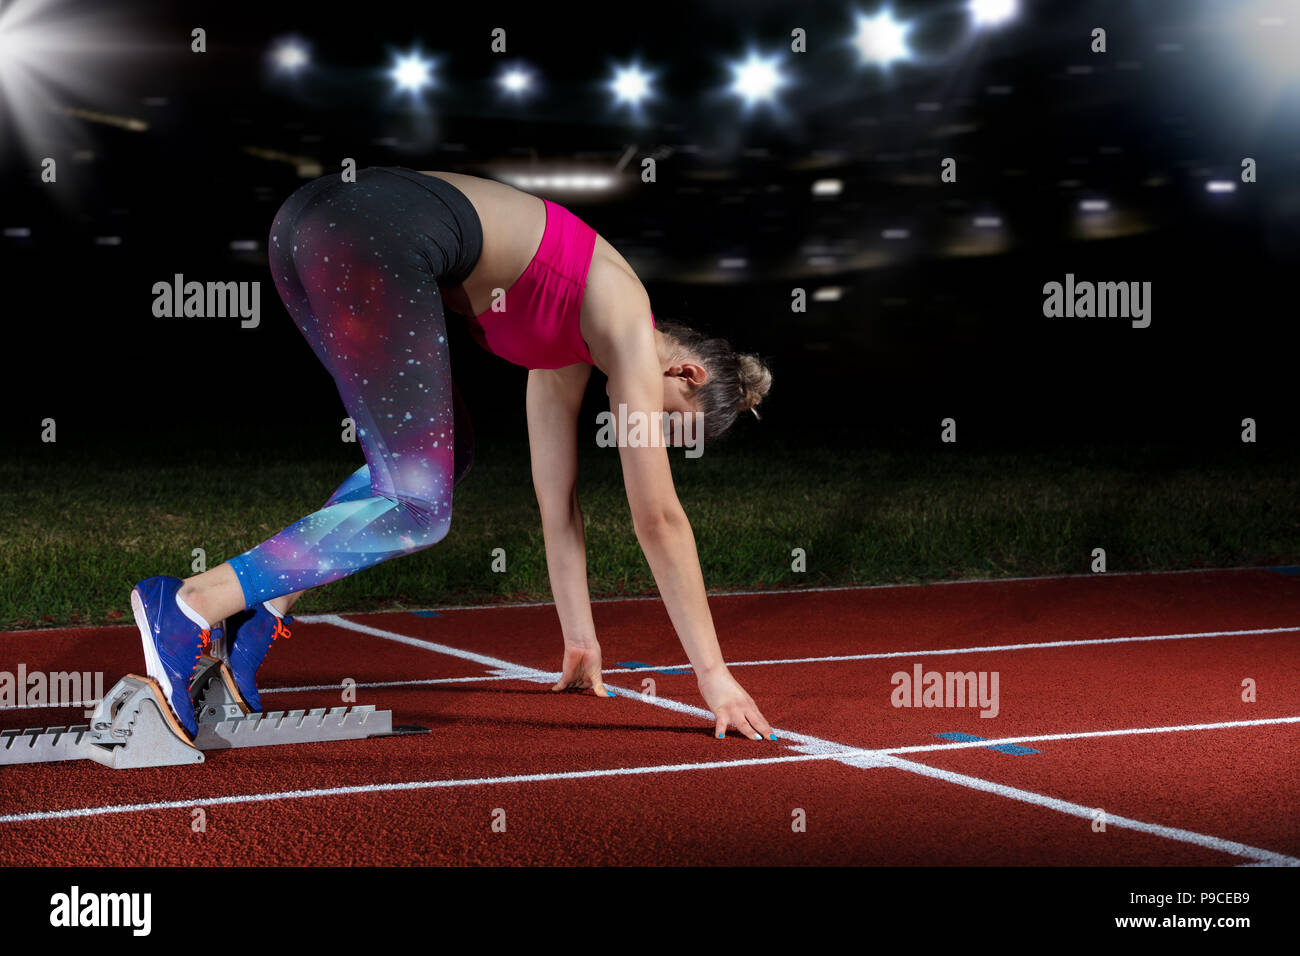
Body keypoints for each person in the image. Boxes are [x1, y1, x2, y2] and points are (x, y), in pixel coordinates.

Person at [130, 166, 775, 742]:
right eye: (666, 424)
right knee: (420, 507)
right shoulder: (627, 322)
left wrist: (579, 640)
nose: (647, 434)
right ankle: (190, 603)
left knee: (446, 456)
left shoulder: (573, 349)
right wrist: (714, 677)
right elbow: (657, 518)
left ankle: (259, 615)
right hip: (359, 232)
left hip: (310, 226)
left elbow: (558, 506)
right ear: (685, 373)